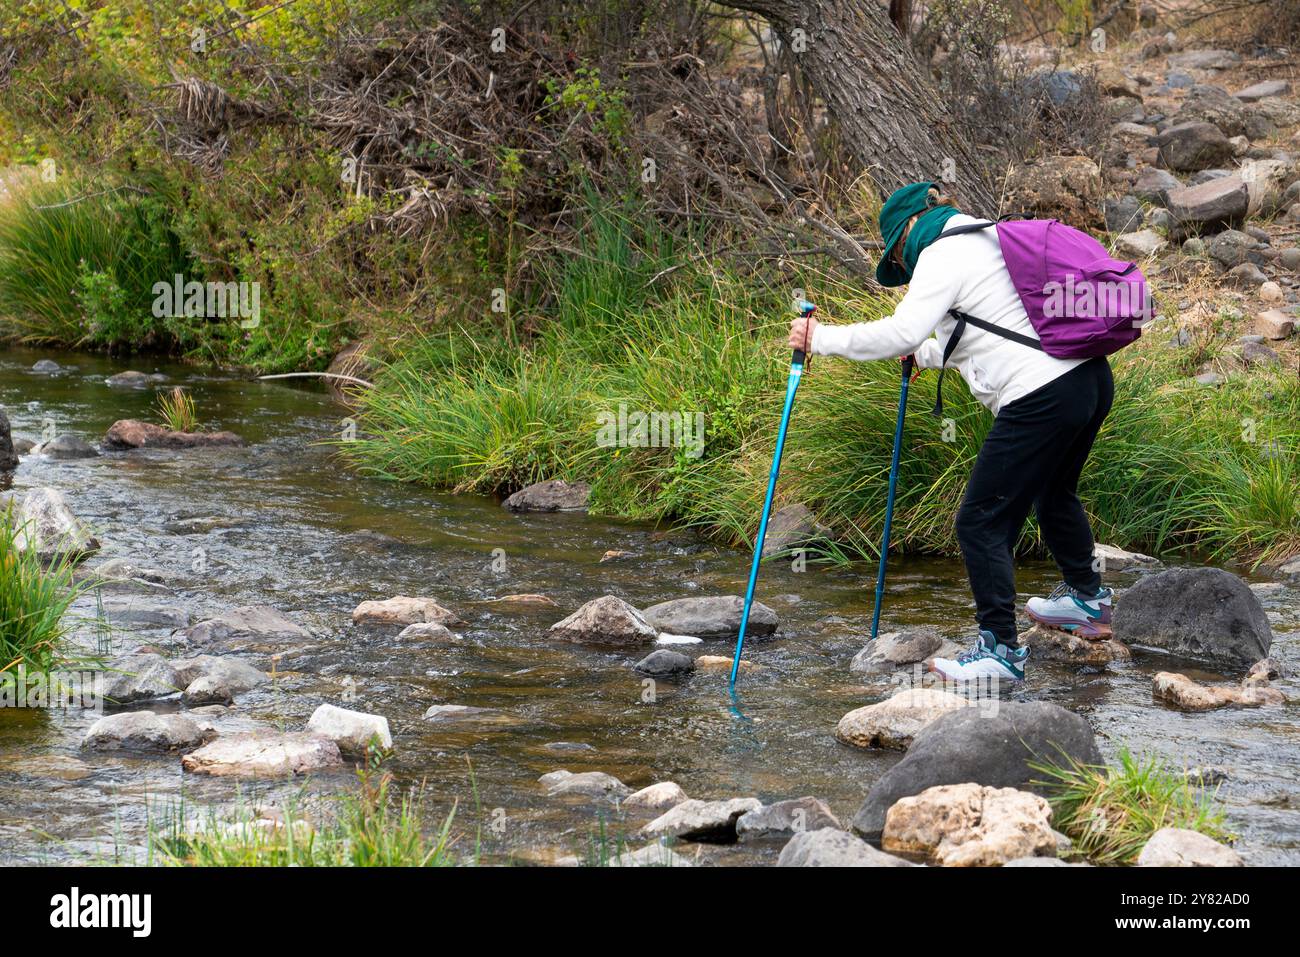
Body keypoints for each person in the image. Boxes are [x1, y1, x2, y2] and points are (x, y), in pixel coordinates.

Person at [788, 181, 1114, 683]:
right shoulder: (989, 239)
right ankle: (1088, 601)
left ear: (908, 232)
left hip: (1042, 393)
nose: (905, 267)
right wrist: (925, 354)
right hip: (1088, 378)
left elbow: (901, 329)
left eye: (898, 255)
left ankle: (1000, 651)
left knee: (980, 521)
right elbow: (985, 332)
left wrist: (820, 338)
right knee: (1054, 492)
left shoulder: (942, 253)